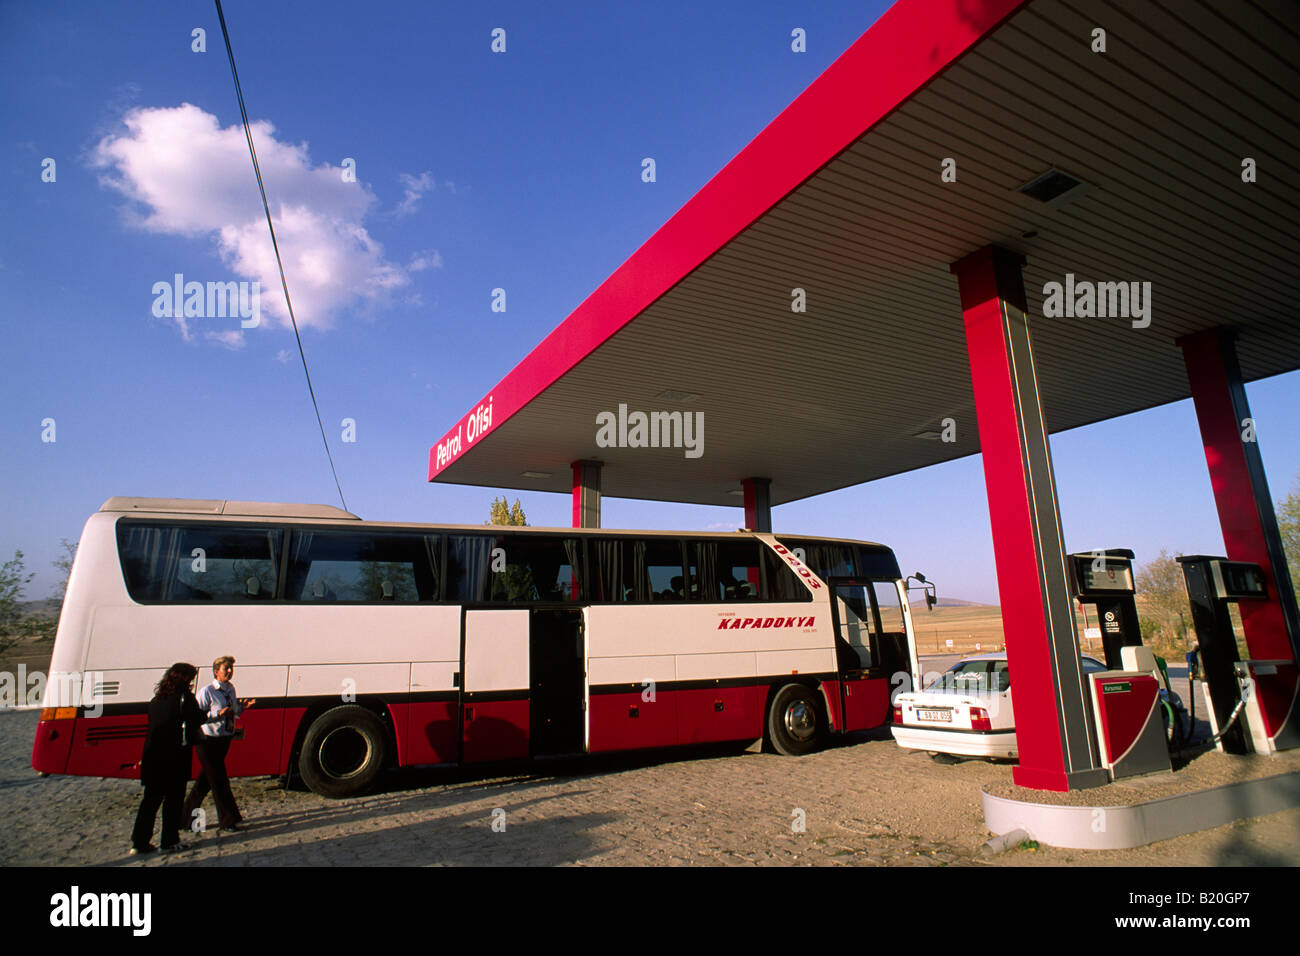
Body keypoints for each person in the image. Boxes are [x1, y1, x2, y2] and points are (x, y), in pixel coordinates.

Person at [131, 662, 204, 855]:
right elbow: (196, 718)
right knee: (173, 801)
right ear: (185, 678)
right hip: (174, 757)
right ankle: (169, 841)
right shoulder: (184, 698)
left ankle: (139, 842)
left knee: (150, 801)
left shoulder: (157, 699)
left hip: (153, 757)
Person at [183, 656, 256, 831]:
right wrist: (218, 714)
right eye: (226, 668)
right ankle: (228, 819)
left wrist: (242, 708)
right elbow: (197, 717)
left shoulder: (230, 689)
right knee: (219, 781)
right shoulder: (206, 692)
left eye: (231, 668)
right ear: (216, 672)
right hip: (208, 741)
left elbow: (233, 712)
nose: (230, 671)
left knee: (205, 781)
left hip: (224, 739)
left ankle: (184, 819)